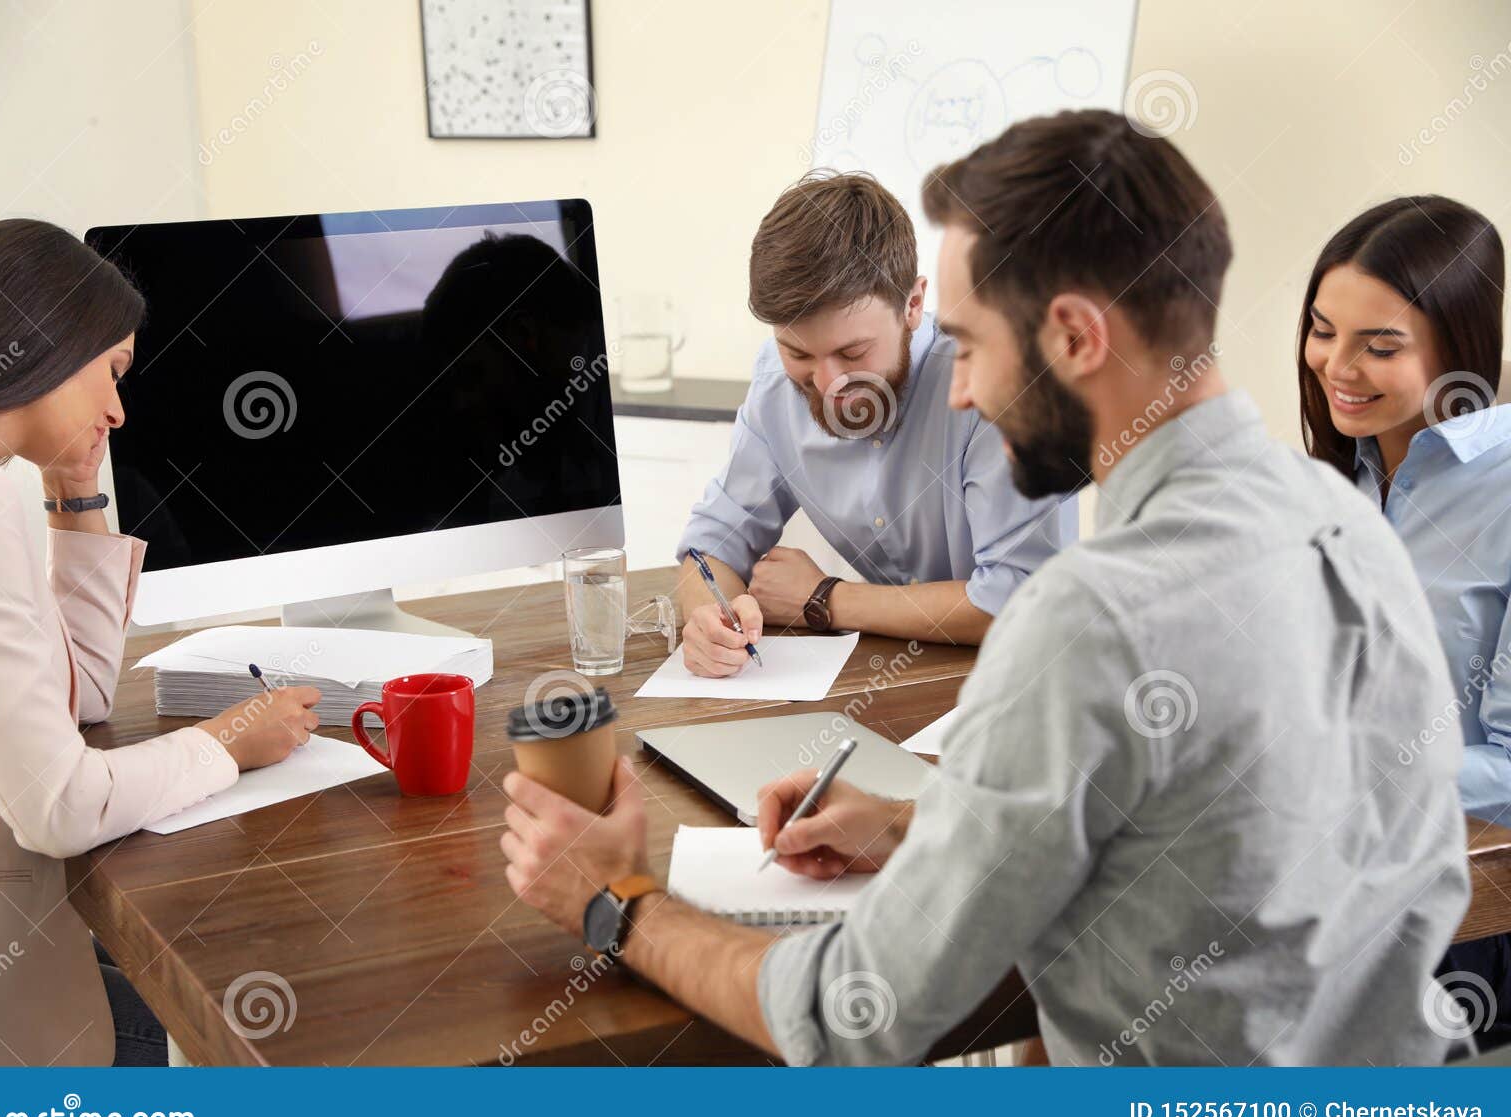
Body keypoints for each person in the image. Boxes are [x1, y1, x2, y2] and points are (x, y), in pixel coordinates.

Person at [502, 110, 1470, 1065]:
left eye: (967, 346)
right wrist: (921, 827)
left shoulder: (1088, 614)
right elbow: (1329, 862)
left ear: (1075, 337)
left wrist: (616, 897)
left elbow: (849, 1016)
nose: (957, 390)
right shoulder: (1353, 522)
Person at [0, 219, 322, 1066]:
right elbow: (60, 805)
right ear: (46, 339)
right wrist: (228, 741)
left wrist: (73, 485)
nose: (117, 409)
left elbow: (82, 695)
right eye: (112, 371)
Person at [675, 172, 1073, 678]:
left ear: (912, 304)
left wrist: (825, 599)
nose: (828, 383)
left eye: (852, 352)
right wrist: (713, 620)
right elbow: (711, 546)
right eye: (798, 352)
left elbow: (1023, 598)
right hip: (894, 683)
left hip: (1034, 680)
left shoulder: (997, 384)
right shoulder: (776, 385)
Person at [1297, 194, 1510, 1049]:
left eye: (1380, 346)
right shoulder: (1335, 478)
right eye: (1322, 329)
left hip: (1466, 902)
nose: (1336, 366)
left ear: (1459, 350)